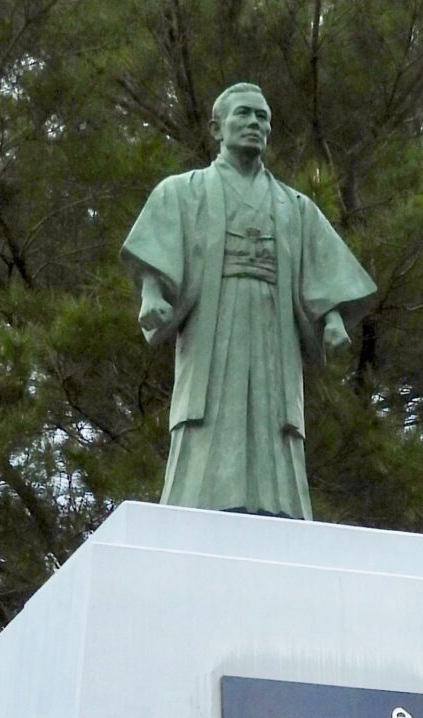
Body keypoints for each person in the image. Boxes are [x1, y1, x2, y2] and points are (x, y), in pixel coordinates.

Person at [121, 81, 377, 519]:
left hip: (273, 328)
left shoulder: (294, 206)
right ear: (218, 127)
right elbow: (155, 253)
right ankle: (196, 504)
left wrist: (332, 318)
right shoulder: (183, 191)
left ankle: (278, 510)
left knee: (275, 416)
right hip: (212, 324)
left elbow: (321, 267)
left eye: (263, 117)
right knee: (205, 415)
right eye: (244, 114)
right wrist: (151, 293)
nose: (254, 124)